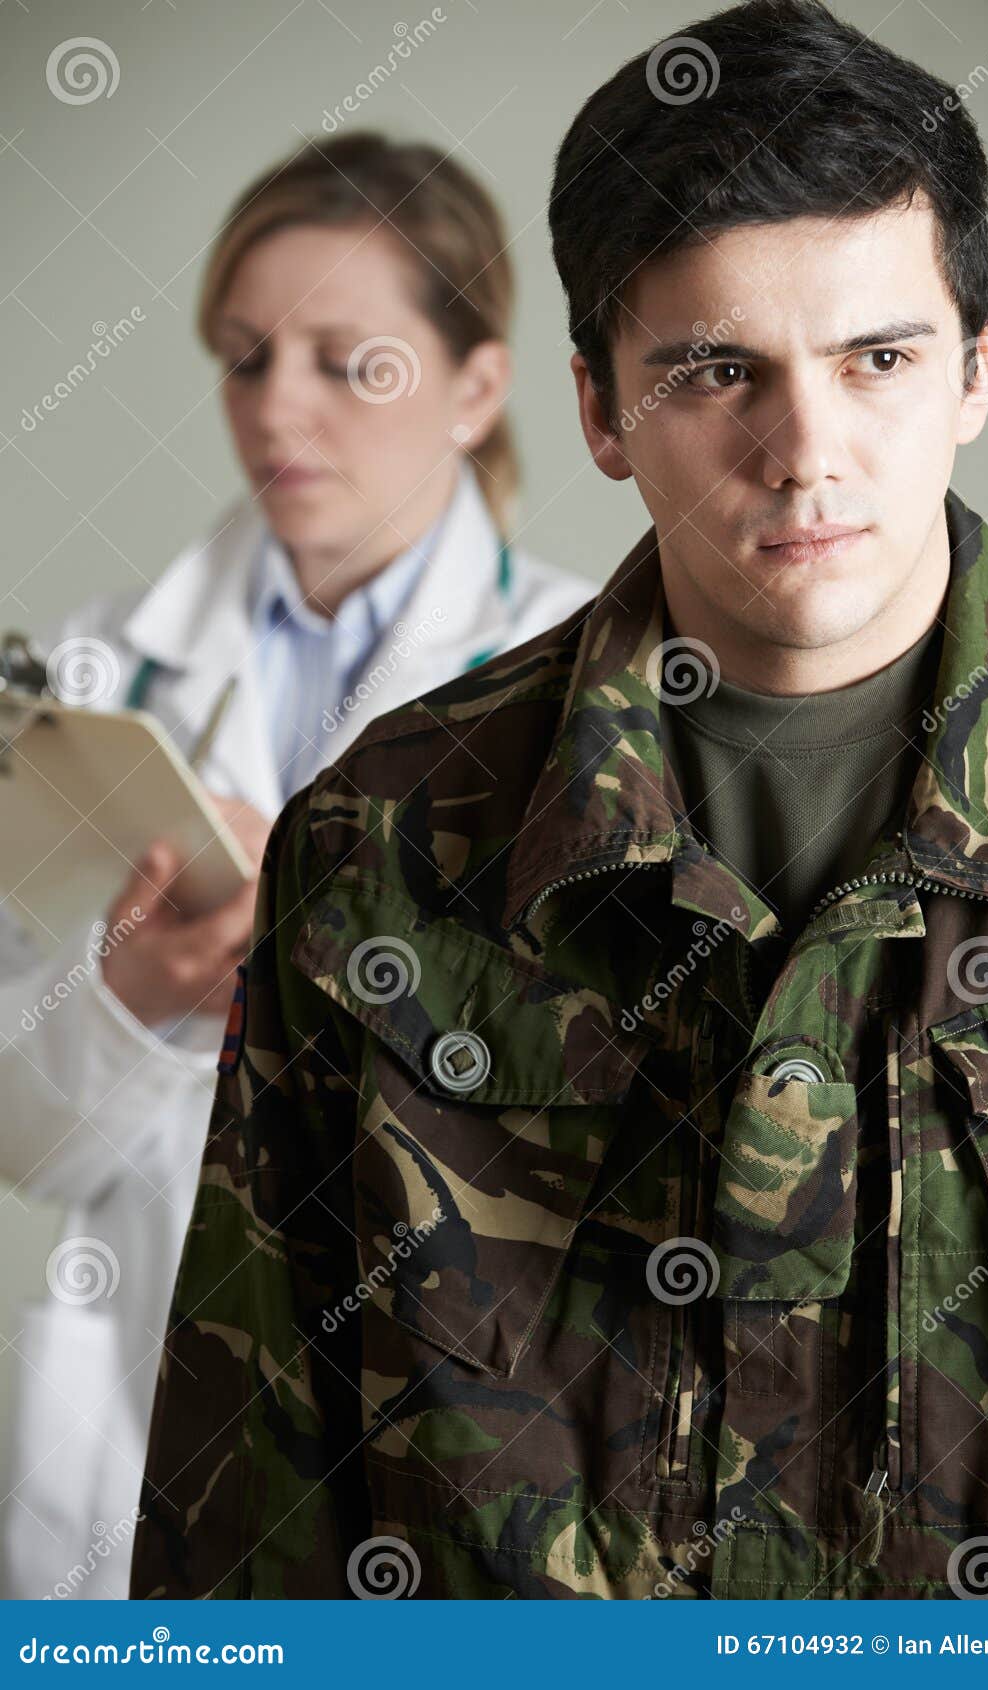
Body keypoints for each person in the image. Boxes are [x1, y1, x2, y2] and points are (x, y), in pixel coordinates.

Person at [130, 0, 988, 1601]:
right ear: (597, 409)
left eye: (881, 359)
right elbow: (244, 1545)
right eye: (716, 371)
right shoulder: (379, 847)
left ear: (979, 372)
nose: (804, 451)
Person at [0, 131, 591, 1601]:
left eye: (349, 362)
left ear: (474, 382)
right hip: (138, 1416)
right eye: (247, 356)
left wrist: (338, 939)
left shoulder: (596, 682)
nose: (279, 410)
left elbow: (620, 1118)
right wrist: (130, 1002)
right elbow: (23, 1133)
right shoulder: (96, 666)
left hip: (464, 1420)